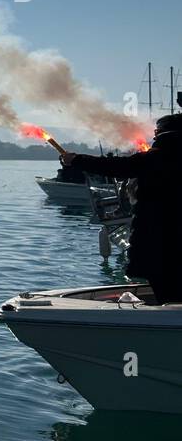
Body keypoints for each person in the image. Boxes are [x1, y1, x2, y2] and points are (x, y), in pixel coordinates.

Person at [62, 113, 182, 304]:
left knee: (166, 289)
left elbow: (113, 166)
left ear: (160, 134)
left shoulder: (152, 160)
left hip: (157, 239)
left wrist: (76, 160)